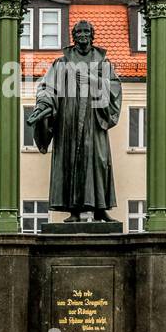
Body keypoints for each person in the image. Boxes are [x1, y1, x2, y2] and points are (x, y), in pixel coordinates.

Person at [27, 19, 122, 221]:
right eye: (78, 32)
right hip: (68, 121)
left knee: (98, 161)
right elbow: (47, 87)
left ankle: (100, 209)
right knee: (71, 161)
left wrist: (91, 79)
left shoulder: (103, 63)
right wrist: (43, 107)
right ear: (74, 36)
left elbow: (114, 88)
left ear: (92, 35)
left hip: (93, 120)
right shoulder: (61, 63)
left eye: (86, 31)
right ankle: (74, 212)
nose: (82, 35)